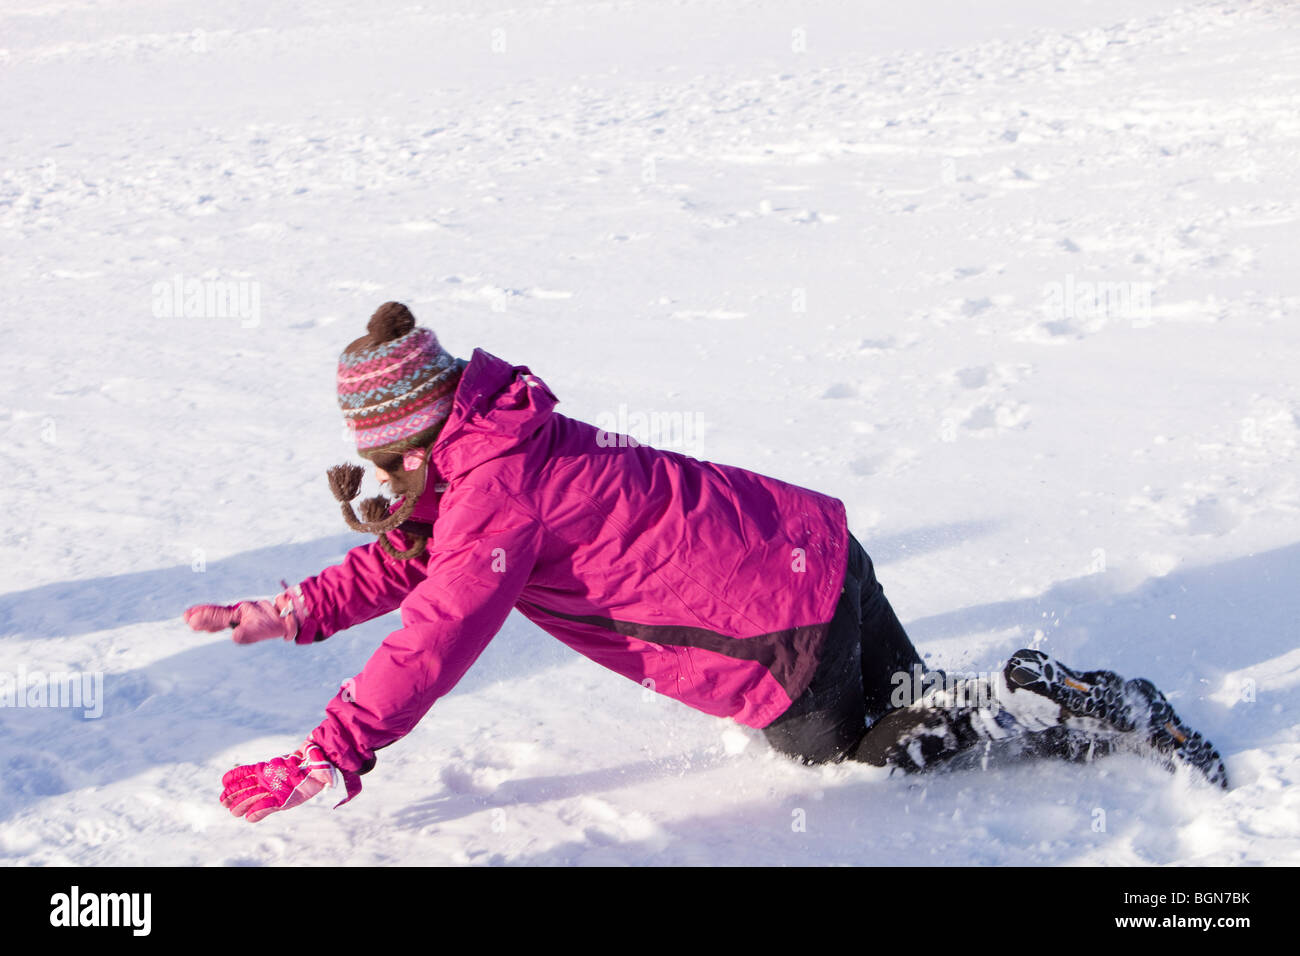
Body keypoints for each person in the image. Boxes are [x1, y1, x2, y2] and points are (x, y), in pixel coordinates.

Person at [186, 303, 1227, 823]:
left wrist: (337, 747)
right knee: (908, 694)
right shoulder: (497, 435)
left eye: (389, 459)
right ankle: (1031, 701)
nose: (389, 477)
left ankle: (1035, 710)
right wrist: (292, 609)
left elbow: (441, 624)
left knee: (859, 750)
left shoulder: (493, 490)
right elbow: (421, 559)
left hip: (775, 630)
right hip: (814, 545)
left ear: (415, 435)